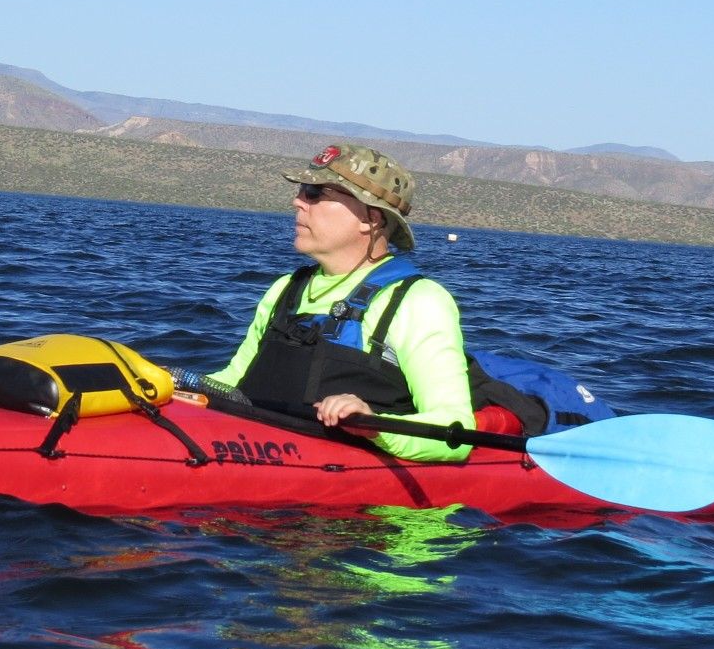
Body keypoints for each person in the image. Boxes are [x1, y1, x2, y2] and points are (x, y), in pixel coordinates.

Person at [206, 144, 523, 461]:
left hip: (359, 500)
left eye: (315, 193)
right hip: (254, 452)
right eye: (303, 191)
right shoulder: (285, 289)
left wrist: (374, 427)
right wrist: (169, 381)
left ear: (370, 218)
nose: (298, 202)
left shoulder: (420, 302)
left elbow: (454, 429)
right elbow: (233, 382)